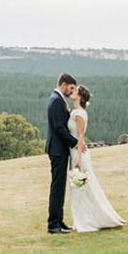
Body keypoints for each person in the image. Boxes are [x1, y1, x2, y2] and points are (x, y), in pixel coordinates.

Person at [68, 84, 126, 233]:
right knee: (80, 187)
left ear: (79, 96)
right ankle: (82, 218)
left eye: (75, 91)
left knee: (84, 186)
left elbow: (80, 135)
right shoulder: (75, 111)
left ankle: (89, 219)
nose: (72, 92)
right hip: (74, 152)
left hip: (79, 153)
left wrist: (79, 158)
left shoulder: (79, 114)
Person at [45, 72, 78, 234]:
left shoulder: (58, 100)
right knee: (57, 187)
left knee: (60, 186)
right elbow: (59, 127)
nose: (71, 92)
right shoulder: (57, 101)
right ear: (63, 84)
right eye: (71, 88)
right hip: (58, 150)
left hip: (59, 149)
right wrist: (74, 142)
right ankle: (53, 224)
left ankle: (60, 220)